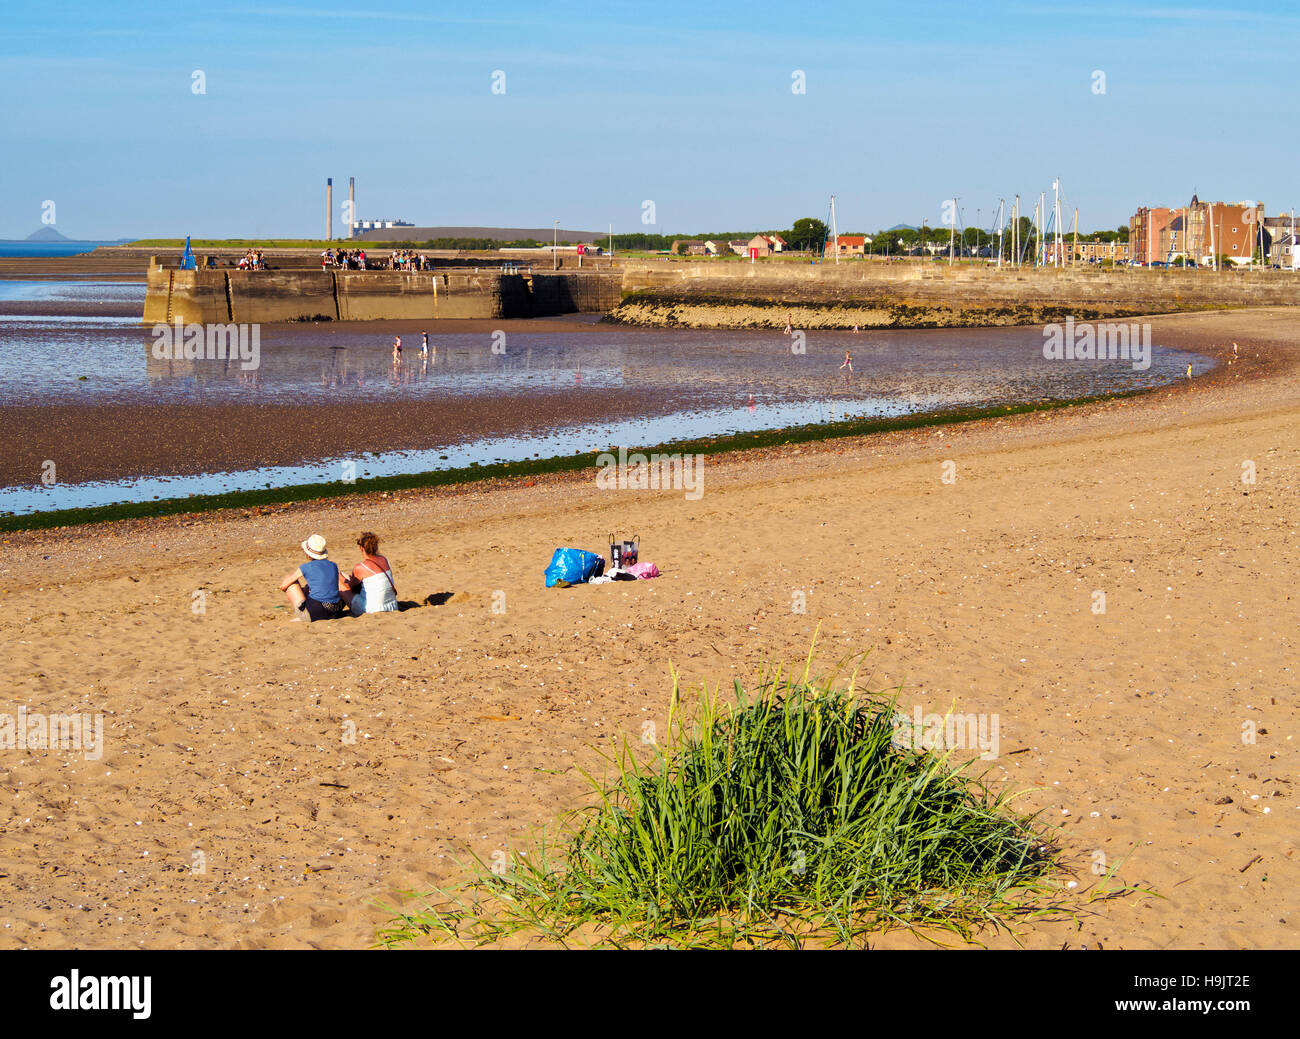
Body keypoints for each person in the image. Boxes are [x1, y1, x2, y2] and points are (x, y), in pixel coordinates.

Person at [281, 534, 346, 621]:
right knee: (313, 586)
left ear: (308, 554)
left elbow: (284, 586)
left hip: (316, 612)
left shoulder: (306, 567)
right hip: (335, 610)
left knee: (290, 579)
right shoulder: (333, 565)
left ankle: (302, 615)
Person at [345, 532, 398, 615]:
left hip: (372, 609)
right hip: (392, 606)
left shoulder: (360, 567)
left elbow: (351, 587)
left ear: (361, 548)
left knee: (340, 582)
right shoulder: (384, 559)